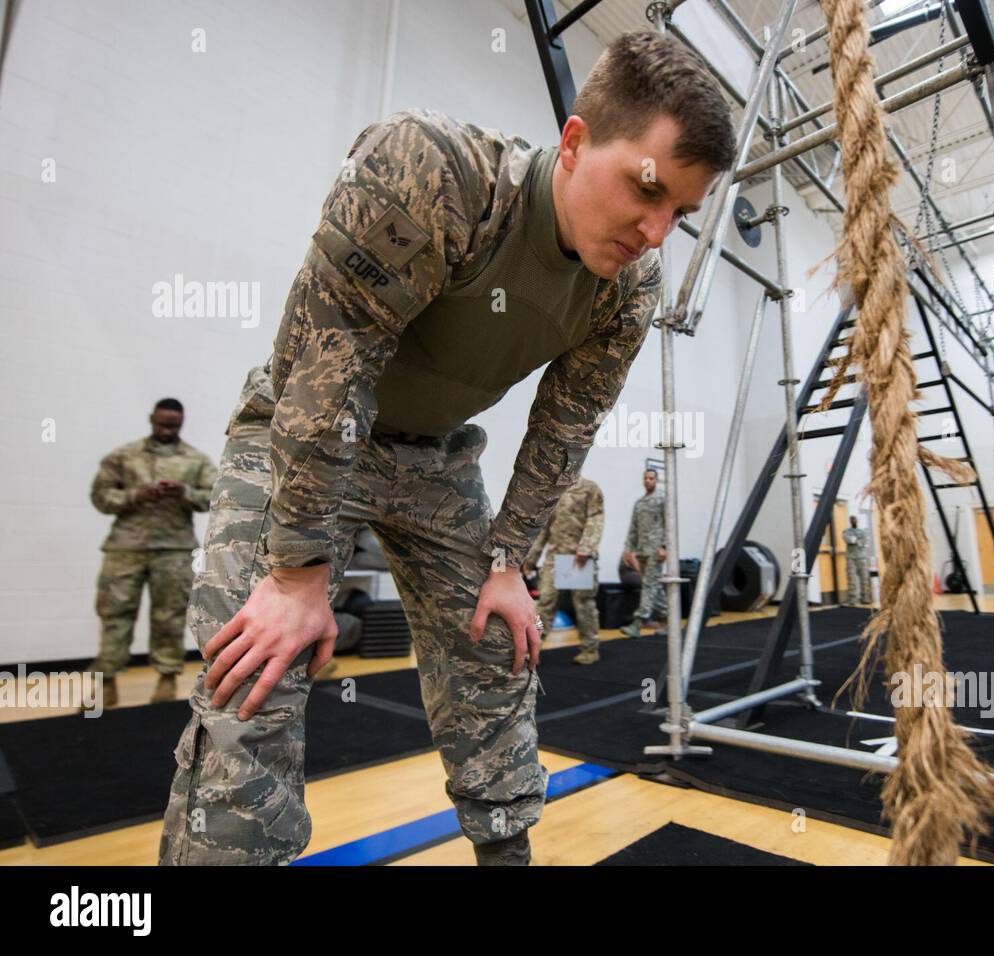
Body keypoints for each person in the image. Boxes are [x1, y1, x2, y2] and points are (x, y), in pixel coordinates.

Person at [156, 31, 734, 867]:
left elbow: (561, 430)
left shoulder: (629, 289)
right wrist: (298, 574)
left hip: (436, 461)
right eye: (646, 187)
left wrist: (509, 563)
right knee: (253, 675)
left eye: (678, 212)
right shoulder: (432, 172)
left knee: (500, 646)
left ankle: (507, 856)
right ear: (574, 144)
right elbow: (330, 371)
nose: (654, 230)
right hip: (303, 432)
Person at [88, 398, 216, 707]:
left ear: (182, 423)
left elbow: (214, 497)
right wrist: (135, 495)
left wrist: (185, 493)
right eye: (161, 424)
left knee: (169, 617)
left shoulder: (196, 460)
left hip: (174, 550)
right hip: (125, 548)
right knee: (115, 614)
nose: (166, 430)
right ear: (151, 419)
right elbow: (100, 497)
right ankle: (106, 682)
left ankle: (167, 678)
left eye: (173, 425)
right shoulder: (123, 456)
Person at [523, 473, 604, 664]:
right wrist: (531, 558)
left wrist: (586, 548)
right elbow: (544, 529)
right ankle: (533, 648)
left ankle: (590, 649)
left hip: (579, 558)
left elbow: (596, 519)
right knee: (544, 605)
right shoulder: (554, 490)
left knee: (583, 605)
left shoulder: (589, 488)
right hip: (555, 558)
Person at [620, 467, 666, 638]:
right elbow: (633, 529)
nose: (648, 481)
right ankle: (668, 619)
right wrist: (628, 549)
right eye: (645, 478)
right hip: (642, 551)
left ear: (656, 480)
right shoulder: (639, 503)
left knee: (648, 585)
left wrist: (665, 547)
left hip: (656, 551)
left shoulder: (662, 499)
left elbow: (670, 524)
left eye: (651, 478)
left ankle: (638, 623)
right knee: (654, 585)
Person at [841, 514, 870, 606]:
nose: (853, 521)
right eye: (851, 520)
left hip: (862, 558)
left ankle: (865, 598)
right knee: (852, 580)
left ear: (857, 520)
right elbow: (850, 540)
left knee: (864, 579)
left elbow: (864, 542)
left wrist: (856, 540)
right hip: (851, 558)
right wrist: (857, 540)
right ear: (850, 521)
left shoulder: (862, 531)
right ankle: (853, 599)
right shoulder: (846, 532)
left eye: (854, 519)